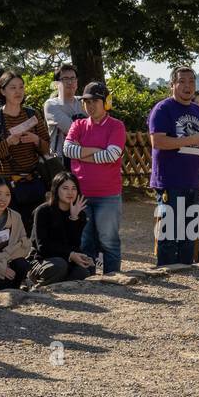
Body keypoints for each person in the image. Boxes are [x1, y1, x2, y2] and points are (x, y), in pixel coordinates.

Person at [148, 66, 199, 266]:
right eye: (182, 81)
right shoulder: (163, 109)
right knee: (169, 233)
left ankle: (186, 271)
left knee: (189, 234)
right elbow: (158, 142)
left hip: (192, 181)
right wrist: (192, 139)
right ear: (172, 85)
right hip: (170, 181)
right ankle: (166, 272)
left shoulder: (197, 110)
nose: (187, 86)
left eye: (191, 81)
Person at [63, 81, 125, 274]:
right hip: (81, 194)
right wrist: (98, 151)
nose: (90, 106)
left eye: (95, 101)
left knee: (108, 241)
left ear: (106, 102)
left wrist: (81, 153)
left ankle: (113, 280)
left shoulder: (116, 126)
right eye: (87, 102)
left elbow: (112, 155)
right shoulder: (78, 124)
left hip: (108, 195)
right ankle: (87, 279)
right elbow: (68, 150)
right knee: (85, 240)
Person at [0, 70, 51, 236]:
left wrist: (36, 140)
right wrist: (8, 143)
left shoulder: (32, 114)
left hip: (33, 182)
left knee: (34, 232)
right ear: (3, 91)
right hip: (5, 187)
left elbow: (47, 147)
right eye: (13, 87)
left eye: (21, 87)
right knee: (7, 234)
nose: (18, 91)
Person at [28, 171, 94, 287]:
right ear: (56, 189)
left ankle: (60, 285)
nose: (70, 192)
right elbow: (43, 247)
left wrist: (74, 218)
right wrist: (71, 254)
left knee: (86, 269)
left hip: (66, 260)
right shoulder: (43, 211)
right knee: (59, 266)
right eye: (65, 188)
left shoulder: (80, 214)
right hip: (42, 260)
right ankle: (37, 286)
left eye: (74, 188)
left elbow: (74, 244)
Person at [42, 63, 83, 155]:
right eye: (65, 79)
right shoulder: (51, 104)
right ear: (56, 84)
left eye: (73, 78)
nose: (70, 82)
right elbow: (72, 130)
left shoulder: (84, 102)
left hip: (86, 156)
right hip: (62, 158)